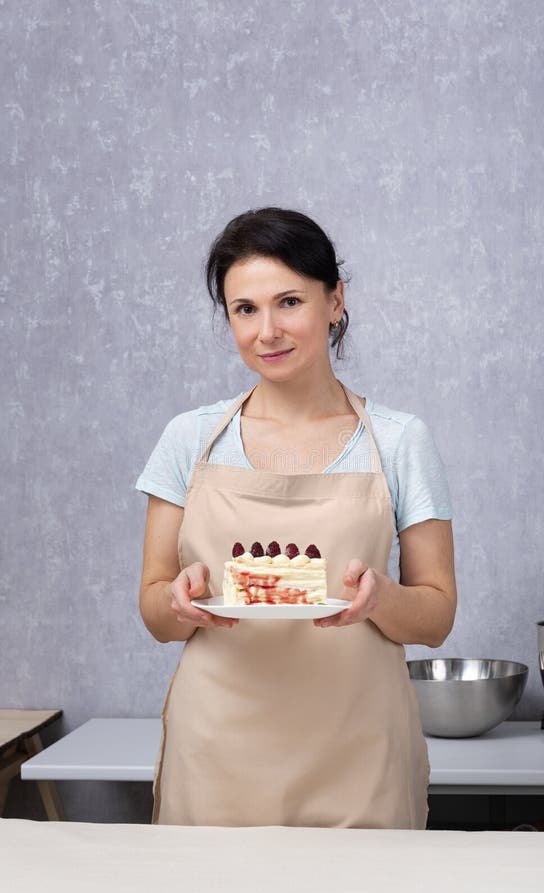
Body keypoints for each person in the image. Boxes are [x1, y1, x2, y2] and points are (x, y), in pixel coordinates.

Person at [136, 206, 457, 829]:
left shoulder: (398, 440)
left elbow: (438, 614)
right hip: (217, 752)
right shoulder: (189, 438)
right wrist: (176, 603)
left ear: (335, 300)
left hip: (359, 751)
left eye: (289, 301)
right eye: (244, 309)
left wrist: (379, 600)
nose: (267, 331)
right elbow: (154, 609)